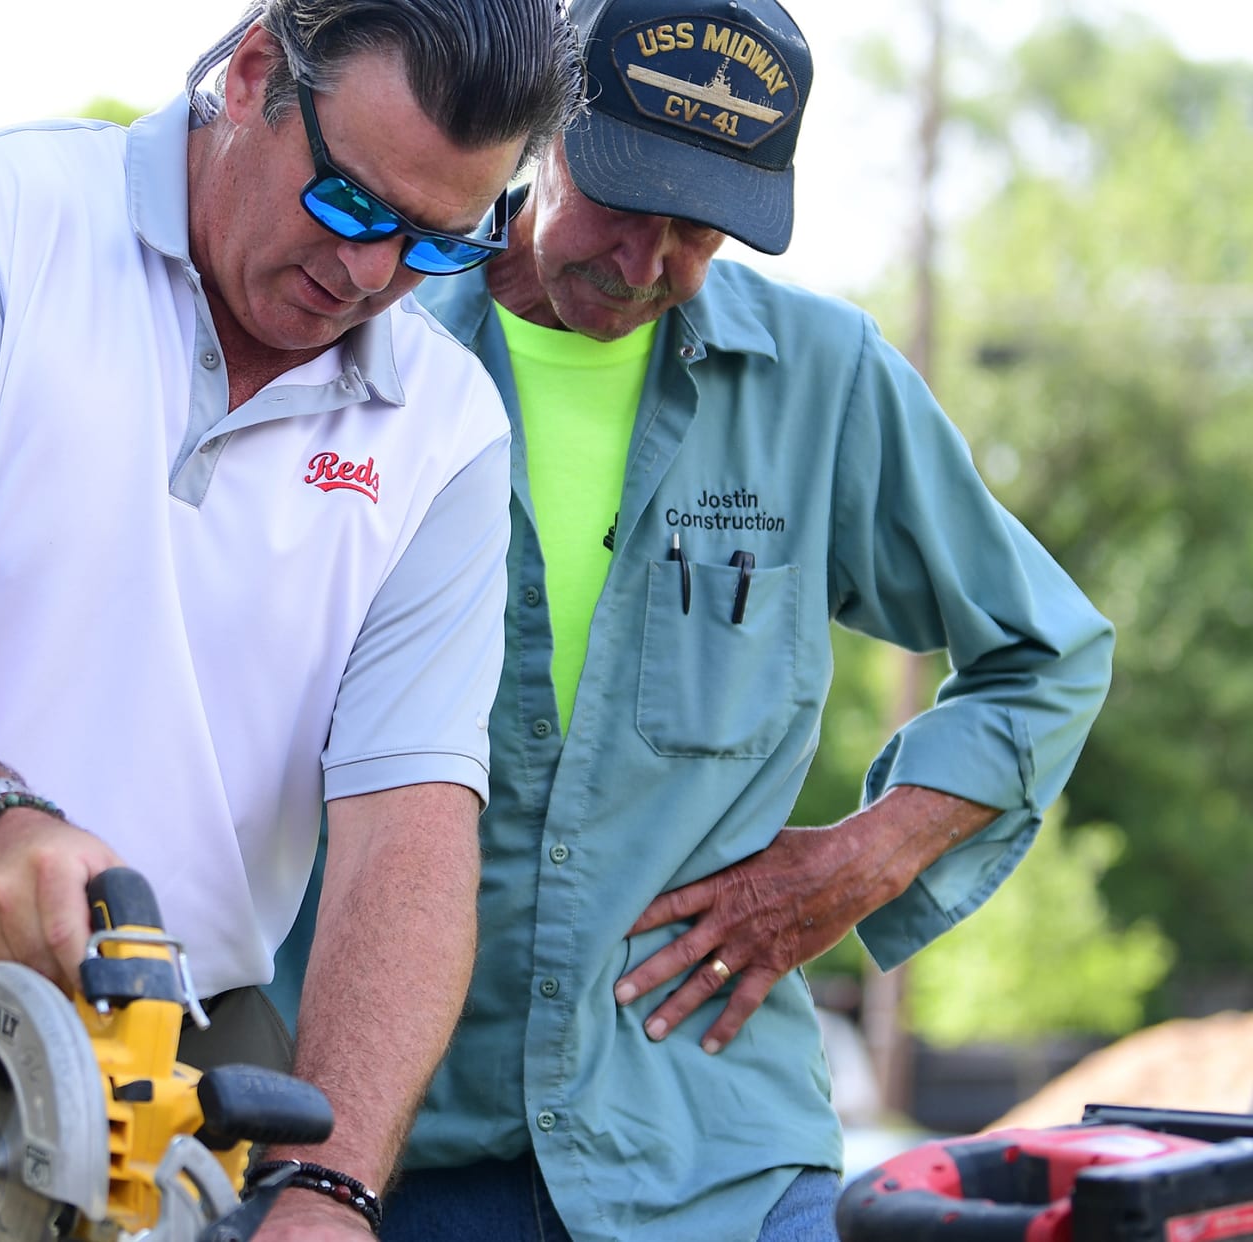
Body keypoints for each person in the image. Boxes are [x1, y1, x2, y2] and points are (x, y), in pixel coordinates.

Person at [0, 2, 579, 1238]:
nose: (369, 274)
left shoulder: (446, 429)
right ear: (249, 75)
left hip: (170, 1100)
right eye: (348, 204)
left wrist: (332, 1184)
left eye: (434, 244)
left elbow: (410, 838)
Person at [270, 0, 1116, 1237]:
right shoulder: (354, 339)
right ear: (546, 130)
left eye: (701, 229)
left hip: (712, 1147)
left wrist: (857, 862)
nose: (646, 261)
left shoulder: (825, 381)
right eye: (624, 199)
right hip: (378, 1149)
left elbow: (1048, 656)